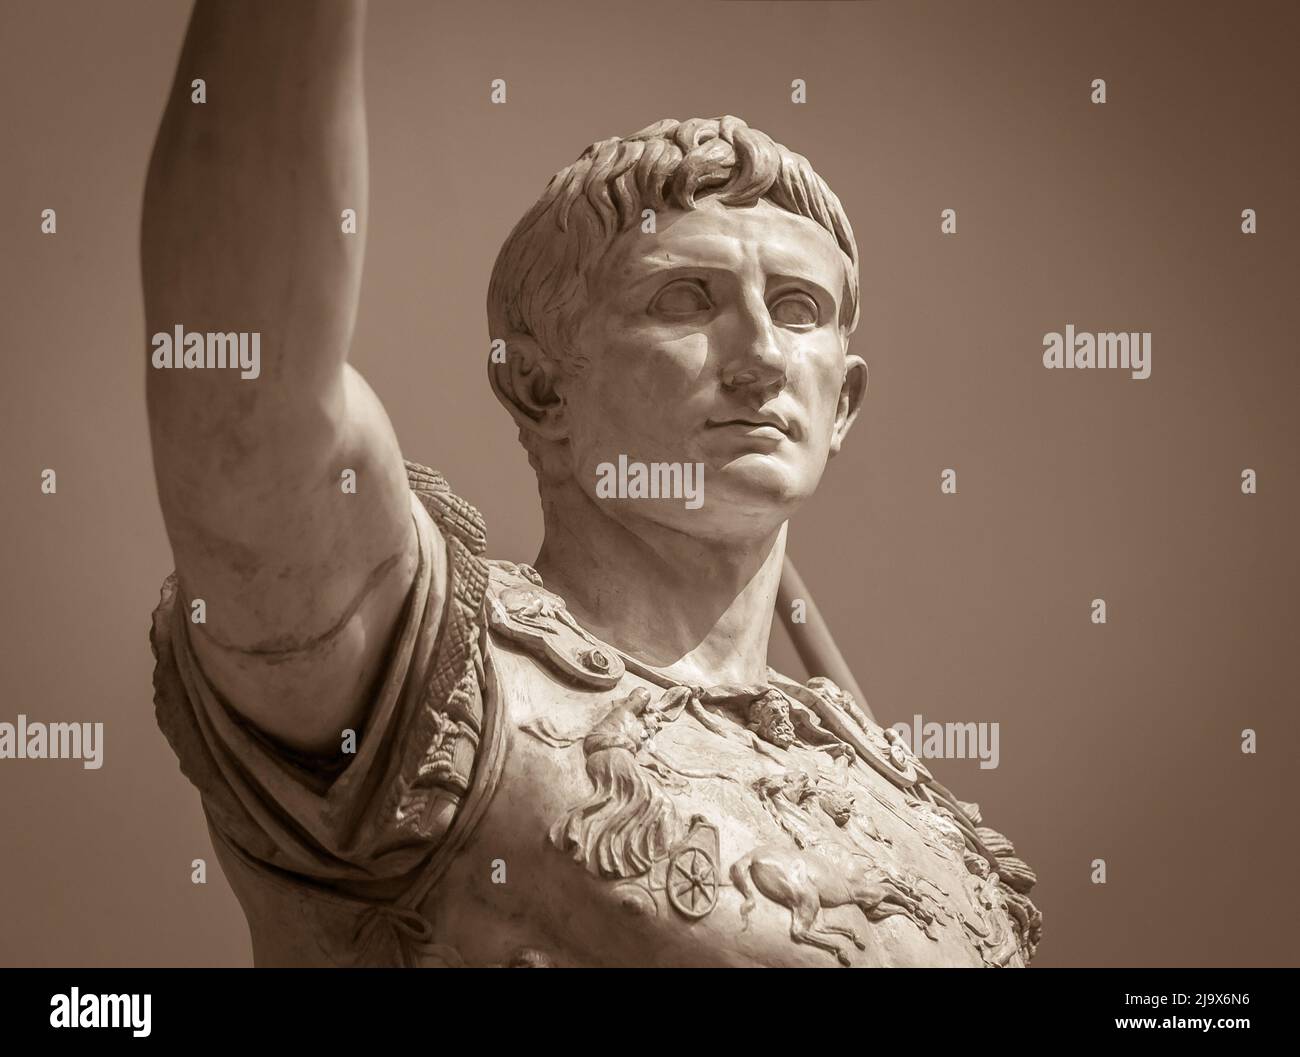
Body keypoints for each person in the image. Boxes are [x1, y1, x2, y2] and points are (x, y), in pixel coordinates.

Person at [144, 0, 1039, 967]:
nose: (761, 358)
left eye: (799, 308)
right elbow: (246, 403)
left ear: (846, 404)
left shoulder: (927, 825)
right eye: (685, 298)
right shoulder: (438, 681)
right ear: (538, 385)